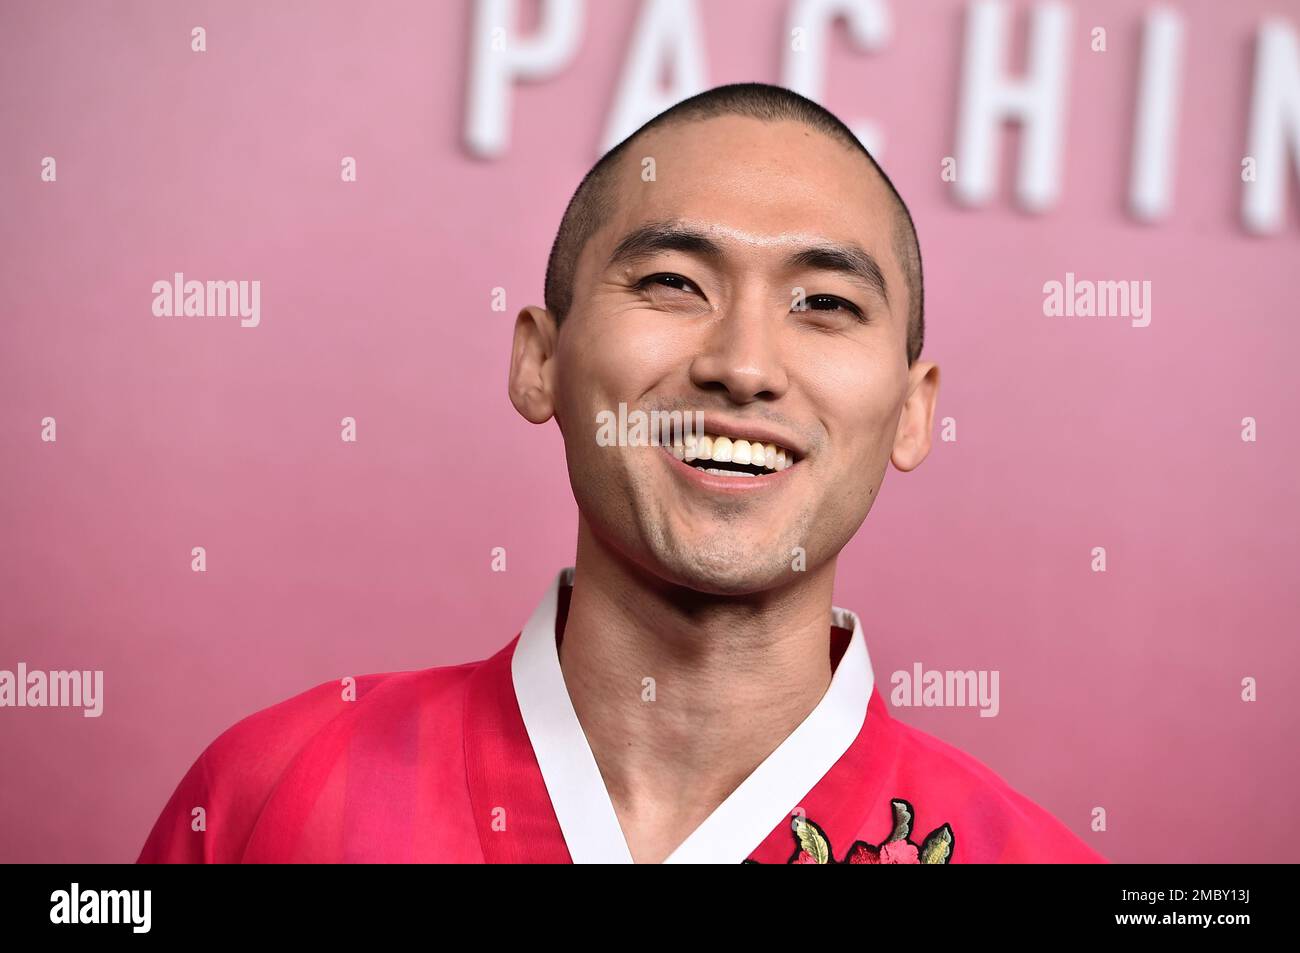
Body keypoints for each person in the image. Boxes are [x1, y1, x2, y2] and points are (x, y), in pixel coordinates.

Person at [138, 83, 1105, 864]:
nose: (746, 365)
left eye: (825, 302)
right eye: (673, 284)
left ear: (913, 408)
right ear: (538, 361)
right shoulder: (272, 795)